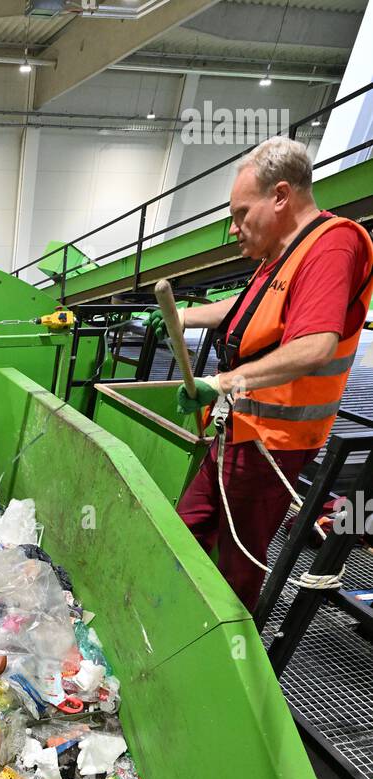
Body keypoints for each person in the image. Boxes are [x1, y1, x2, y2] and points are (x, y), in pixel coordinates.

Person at [152, 136, 373, 612]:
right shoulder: (284, 256)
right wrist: (185, 317)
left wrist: (223, 382)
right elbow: (250, 309)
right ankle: (178, 624)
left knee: (239, 562)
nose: (234, 229)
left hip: (275, 441)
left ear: (280, 196)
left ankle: (232, 656)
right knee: (188, 528)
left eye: (240, 214)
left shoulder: (332, 246)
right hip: (243, 431)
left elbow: (315, 345)